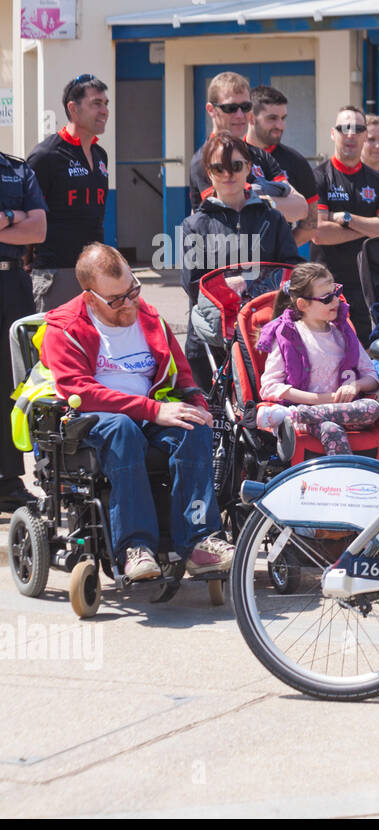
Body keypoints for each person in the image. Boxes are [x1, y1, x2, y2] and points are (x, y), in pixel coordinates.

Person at [39, 244, 234, 581]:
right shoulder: (65, 328)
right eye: (116, 299)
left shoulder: (149, 316)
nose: (129, 303)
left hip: (150, 412)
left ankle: (200, 540)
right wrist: (150, 410)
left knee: (194, 428)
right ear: (89, 298)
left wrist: (196, 404)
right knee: (122, 429)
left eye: (133, 290)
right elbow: (79, 391)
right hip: (95, 419)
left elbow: (181, 374)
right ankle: (135, 547)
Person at [180, 132, 301, 388]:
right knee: (216, 422)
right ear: (208, 172)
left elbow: (292, 270)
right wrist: (228, 289)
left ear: (248, 168)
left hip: (267, 336)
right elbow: (192, 283)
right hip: (211, 344)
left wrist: (250, 284)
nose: (228, 174)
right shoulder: (194, 225)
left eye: (235, 166)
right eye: (218, 167)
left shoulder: (273, 219)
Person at [257, 263, 379, 457]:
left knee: (373, 408)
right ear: (302, 305)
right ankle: (348, 483)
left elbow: (372, 375)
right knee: (330, 429)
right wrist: (319, 400)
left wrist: (356, 386)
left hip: (343, 410)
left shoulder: (343, 333)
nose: (336, 301)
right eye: (326, 298)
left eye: (336, 292)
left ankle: (293, 416)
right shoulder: (288, 336)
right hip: (308, 414)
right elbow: (269, 386)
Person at [311, 106, 379, 343]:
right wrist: (371, 229)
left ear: (364, 134)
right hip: (326, 288)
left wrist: (344, 218)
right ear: (333, 133)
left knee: (370, 359)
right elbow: (318, 232)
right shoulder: (318, 177)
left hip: (369, 287)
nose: (350, 135)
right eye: (344, 128)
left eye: (358, 129)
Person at [27, 74, 109, 313]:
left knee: (91, 347)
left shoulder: (100, 154)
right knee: (55, 347)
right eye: (96, 103)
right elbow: (29, 216)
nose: (104, 111)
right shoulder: (46, 156)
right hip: (56, 273)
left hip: (94, 273)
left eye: (106, 104)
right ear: (73, 108)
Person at [188, 71, 307, 224]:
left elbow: (300, 207)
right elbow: (230, 212)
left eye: (245, 106)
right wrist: (274, 200)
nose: (240, 115)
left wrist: (265, 202)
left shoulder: (260, 155)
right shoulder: (204, 159)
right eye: (230, 108)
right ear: (211, 110)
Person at [0, 150, 48, 512]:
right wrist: (16, 218)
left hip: (13, 281)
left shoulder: (17, 169)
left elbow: (39, 229)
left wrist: (5, 217)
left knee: (12, 382)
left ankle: (9, 481)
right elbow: (26, 225)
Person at [246, 84, 319, 248]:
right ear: (251, 118)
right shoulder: (230, 156)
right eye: (272, 118)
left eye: (283, 118)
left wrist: (280, 251)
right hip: (233, 261)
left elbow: (311, 225)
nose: (280, 126)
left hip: (277, 267)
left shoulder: (296, 162)